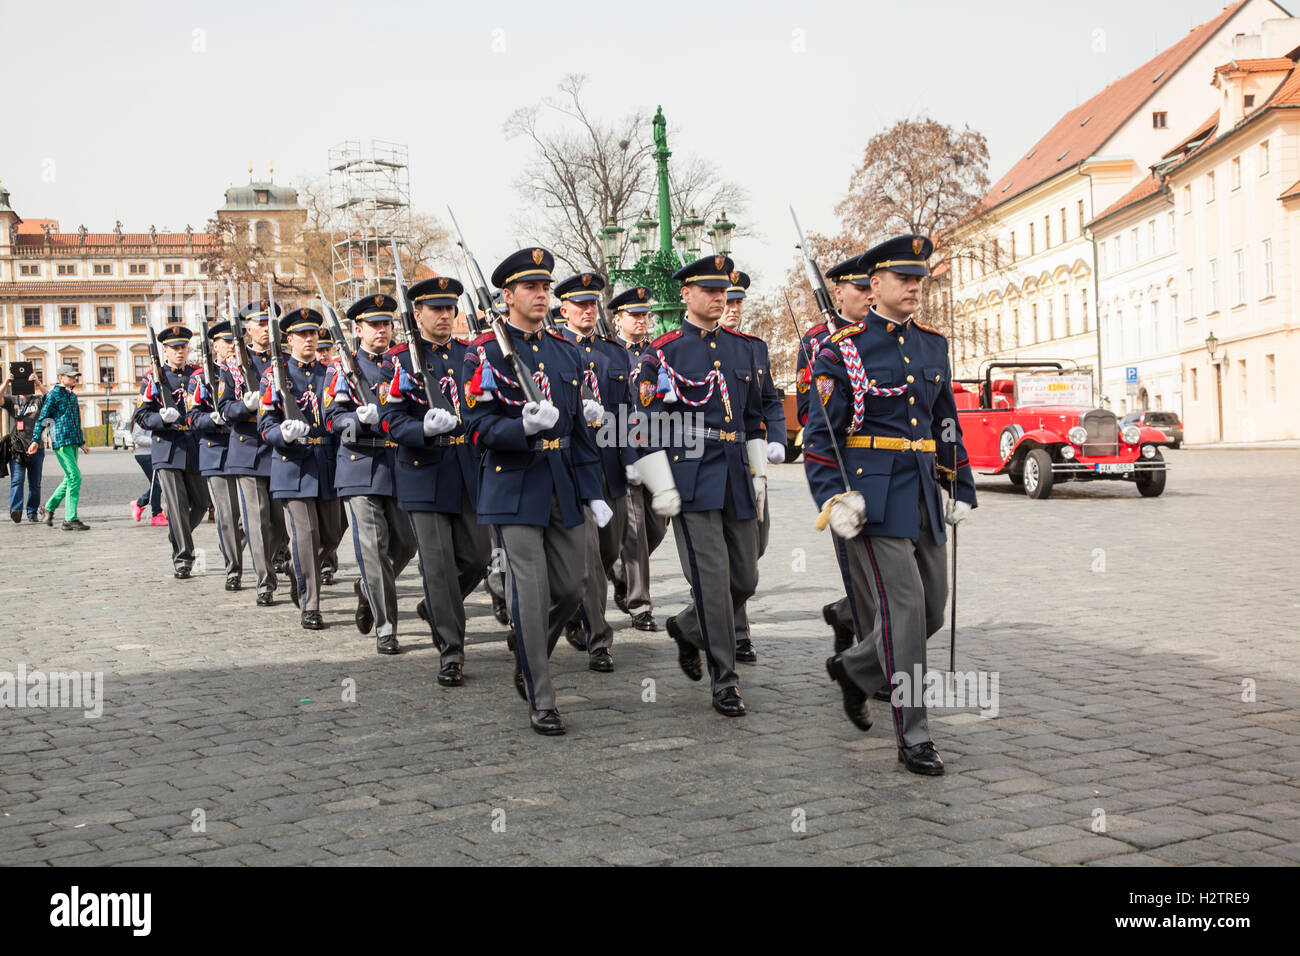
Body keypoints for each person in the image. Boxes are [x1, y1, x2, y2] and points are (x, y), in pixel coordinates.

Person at [804, 235, 976, 776]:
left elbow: (944, 419)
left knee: (931, 609)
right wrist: (833, 498)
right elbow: (820, 435)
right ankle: (915, 736)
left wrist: (960, 485)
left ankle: (855, 668)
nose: (915, 287)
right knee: (903, 608)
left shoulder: (933, 345)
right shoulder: (843, 350)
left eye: (919, 278)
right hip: (872, 495)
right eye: (904, 278)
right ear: (873, 285)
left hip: (923, 488)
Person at [460, 247, 607, 736]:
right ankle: (542, 698)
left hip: (562, 481)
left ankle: (528, 650)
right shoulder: (481, 352)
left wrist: (594, 491)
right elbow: (477, 425)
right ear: (508, 296)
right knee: (530, 589)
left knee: (572, 585)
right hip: (513, 484)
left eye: (546, 287)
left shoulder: (567, 351)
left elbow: (582, 432)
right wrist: (518, 427)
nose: (541, 294)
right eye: (531, 287)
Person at [634, 254, 763, 718]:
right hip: (689, 475)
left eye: (723, 291)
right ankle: (724, 681)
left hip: (734, 474)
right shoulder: (662, 352)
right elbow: (643, 423)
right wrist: (659, 481)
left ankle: (689, 627)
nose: (718, 298)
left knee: (744, 578)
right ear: (685, 294)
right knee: (711, 580)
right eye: (708, 290)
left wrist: (759, 463)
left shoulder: (745, 348)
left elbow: (752, 413)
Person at [381, 276, 490, 684]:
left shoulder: (470, 354)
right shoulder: (400, 361)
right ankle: (451, 650)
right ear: (417, 315)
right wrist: (421, 429)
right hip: (422, 474)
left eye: (450, 309)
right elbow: (391, 420)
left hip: (465, 469)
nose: (445, 315)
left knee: (478, 557)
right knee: (439, 566)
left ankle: (437, 607)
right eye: (436, 309)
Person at [324, 294, 415, 655]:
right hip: (360, 467)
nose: (381, 330)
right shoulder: (342, 368)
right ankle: (386, 627)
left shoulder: (401, 365)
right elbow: (332, 419)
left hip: (399, 464)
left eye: (386, 324)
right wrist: (354, 423)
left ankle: (367, 587)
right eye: (374, 325)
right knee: (374, 549)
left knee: (406, 544)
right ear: (357, 330)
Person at [555, 270, 635, 673]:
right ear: (564, 308)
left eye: (593, 303)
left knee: (609, 550)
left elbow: (628, 412)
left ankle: (574, 610)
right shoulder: (554, 350)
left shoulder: (614, 353)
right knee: (587, 558)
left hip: (611, 466)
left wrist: (634, 457)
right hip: (574, 469)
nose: (588, 310)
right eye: (580, 304)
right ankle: (599, 639)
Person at [802, 255, 881, 657]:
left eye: (872, 287)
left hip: (889, 464)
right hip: (848, 462)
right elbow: (809, 412)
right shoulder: (820, 343)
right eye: (860, 288)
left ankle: (845, 614)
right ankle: (872, 660)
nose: (869, 295)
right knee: (859, 566)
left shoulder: (884, 337)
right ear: (838, 293)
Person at [717, 270, 786, 663]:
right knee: (725, 550)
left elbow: (770, 399)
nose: (733, 309)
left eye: (738, 301)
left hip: (752, 451)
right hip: (715, 456)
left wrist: (777, 437)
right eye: (726, 301)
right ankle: (736, 630)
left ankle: (720, 614)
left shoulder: (754, 348)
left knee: (755, 542)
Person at [258, 307, 340, 630]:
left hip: (325, 465)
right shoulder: (274, 377)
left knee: (331, 534)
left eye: (313, 333)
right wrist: (283, 434)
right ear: (288, 339)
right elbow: (266, 426)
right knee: (304, 535)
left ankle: (297, 566)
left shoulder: (329, 373)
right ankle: (311, 606)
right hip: (292, 467)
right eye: (302, 334)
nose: (309, 339)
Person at [218, 300, 290, 606]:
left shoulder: (284, 360)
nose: (266, 329)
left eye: (269, 323)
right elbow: (224, 409)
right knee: (257, 520)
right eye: (260, 324)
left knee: (280, 521)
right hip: (248, 448)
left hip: (278, 446)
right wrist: (244, 406)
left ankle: (272, 560)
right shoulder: (233, 365)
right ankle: (265, 580)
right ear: (247, 329)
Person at [608, 286, 664, 631]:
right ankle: (639, 604)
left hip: (656, 450)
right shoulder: (612, 355)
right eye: (634, 315)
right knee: (635, 530)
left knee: (656, 528)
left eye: (645, 314)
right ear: (618, 319)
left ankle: (618, 570)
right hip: (624, 448)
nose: (641, 320)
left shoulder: (658, 355)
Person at [134, 325, 210, 576]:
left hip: (193, 446)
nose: (179, 351)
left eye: (183, 347)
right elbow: (142, 416)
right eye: (174, 348)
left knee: (201, 504)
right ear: (164, 351)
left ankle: (177, 532)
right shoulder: (153, 378)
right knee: (176, 506)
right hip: (167, 448)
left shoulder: (198, 375)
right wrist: (161, 419)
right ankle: (183, 558)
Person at [187, 321, 246, 590]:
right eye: (226, 342)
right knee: (227, 514)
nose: (232, 346)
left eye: (235, 340)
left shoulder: (245, 374)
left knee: (254, 515)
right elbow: (192, 416)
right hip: (217, 452)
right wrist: (212, 419)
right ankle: (233, 567)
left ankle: (259, 551)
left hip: (245, 450)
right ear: (215, 346)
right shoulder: (200, 378)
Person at [29, 364, 89, 531]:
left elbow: (76, 420)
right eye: (70, 376)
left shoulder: (72, 396)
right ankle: (70, 518)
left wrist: (81, 442)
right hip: (60, 441)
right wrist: (35, 439)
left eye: (74, 376)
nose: (73, 378)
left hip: (72, 442)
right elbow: (43, 418)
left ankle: (48, 508)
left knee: (69, 479)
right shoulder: (53, 395)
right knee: (75, 477)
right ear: (60, 378)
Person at [2, 367, 47, 523]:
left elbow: (52, 399)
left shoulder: (38, 400)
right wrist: (6, 381)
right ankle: (15, 510)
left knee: (35, 484)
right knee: (17, 480)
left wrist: (38, 383)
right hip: (17, 449)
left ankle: (32, 512)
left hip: (37, 447)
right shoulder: (12, 400)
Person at [129, 422, 166, 526]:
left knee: (158, 483)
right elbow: (137, 437)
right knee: (157, 483)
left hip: (155, 453)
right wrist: (155, 441)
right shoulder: (142, 417)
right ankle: (156, 514)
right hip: (145, 454)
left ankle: (139, 503)